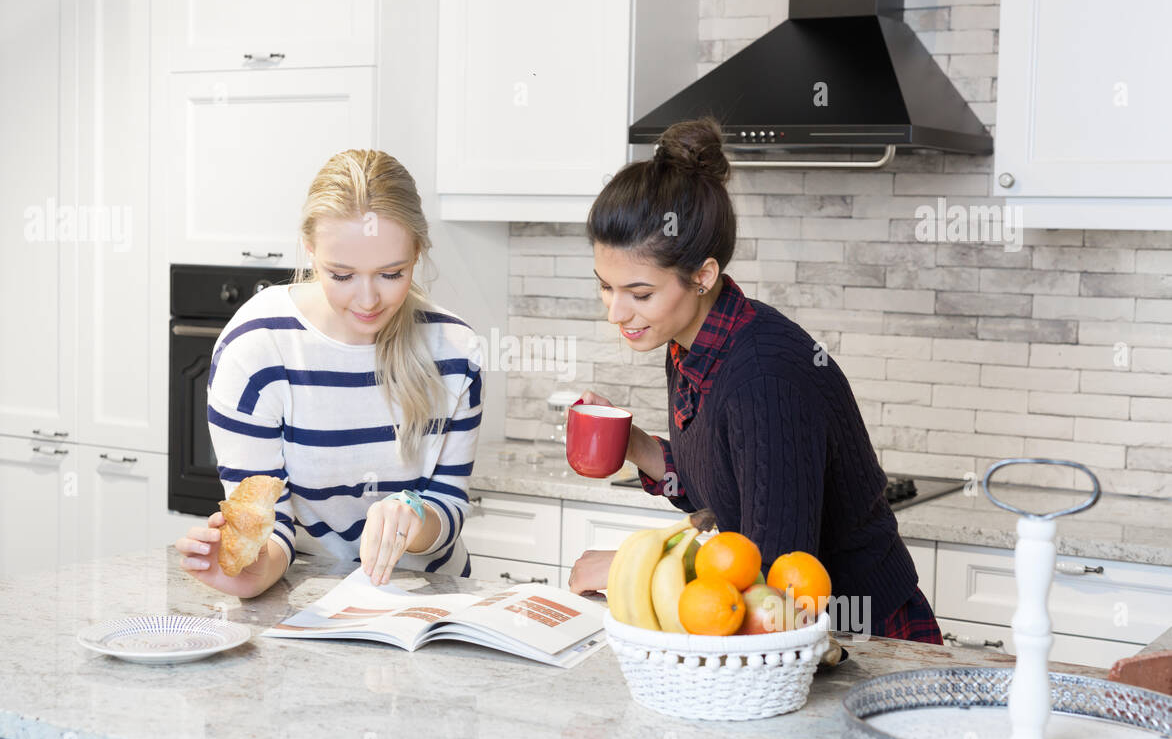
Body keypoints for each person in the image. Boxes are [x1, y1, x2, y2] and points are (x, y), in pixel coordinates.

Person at [566, 117, 942, 644]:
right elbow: (726, 496)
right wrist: (635, 446)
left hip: (866, 637)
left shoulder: (766, 377)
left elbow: (773, 571)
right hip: (787, 635)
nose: (616, 312)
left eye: (639, 293)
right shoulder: (689, 344)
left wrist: (629, 567)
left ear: (703, 275)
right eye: (606, 287)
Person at [173, 149, 483, 597]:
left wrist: (413, 519)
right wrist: (250, 571)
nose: (368, 300)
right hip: (308, 600)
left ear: (418, 251)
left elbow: (449, 507)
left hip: (429, 601)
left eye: (392, 273)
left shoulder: (455, 353)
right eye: (341, 275)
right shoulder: (257, 351)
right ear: (310, 250)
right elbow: (269, 526)